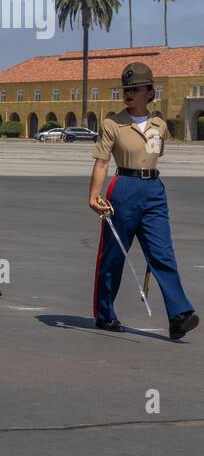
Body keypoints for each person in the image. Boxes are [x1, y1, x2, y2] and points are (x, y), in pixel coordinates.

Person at [89, 61, 197, 339]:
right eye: (126, 89)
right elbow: (101, 163)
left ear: (150, 92)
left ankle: (179, 314)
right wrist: (94, 195)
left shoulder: (159, 124)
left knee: (162, 253)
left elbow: (154, 154)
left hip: (153, 191)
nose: (128, 93)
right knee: (113, 255)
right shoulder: (112, 123)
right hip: (123, 188)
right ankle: (104, 313)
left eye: (135, 89)